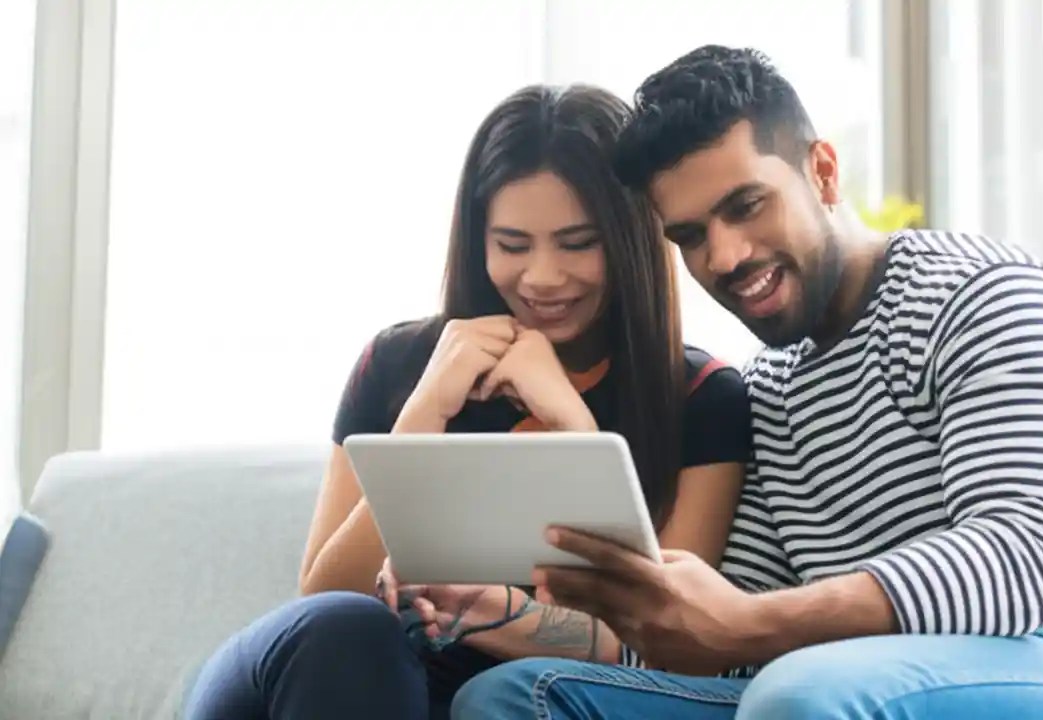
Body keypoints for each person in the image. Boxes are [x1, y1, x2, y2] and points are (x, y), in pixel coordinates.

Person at [448, 46, 1043, 720]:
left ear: (823, 170)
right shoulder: (770, 388)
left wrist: (747, 624)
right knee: (519, 699)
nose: (725, 256)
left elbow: (1019, 565)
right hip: (845, 688)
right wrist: (548, 613)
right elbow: (731, 631)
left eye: (746, 206)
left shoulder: (987, 294)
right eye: (690, 235)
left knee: (800, 695)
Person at [182, 84, 751, 720]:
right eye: (512, 245)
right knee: (350, 630)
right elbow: (324, 593)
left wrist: (573, 423)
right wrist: (425, 416)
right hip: (314, 678)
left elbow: (658, 642)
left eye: (576, 242)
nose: (541, 277)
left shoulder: (703, 399)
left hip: (492, 703)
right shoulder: (397, 362)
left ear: (628, 239)